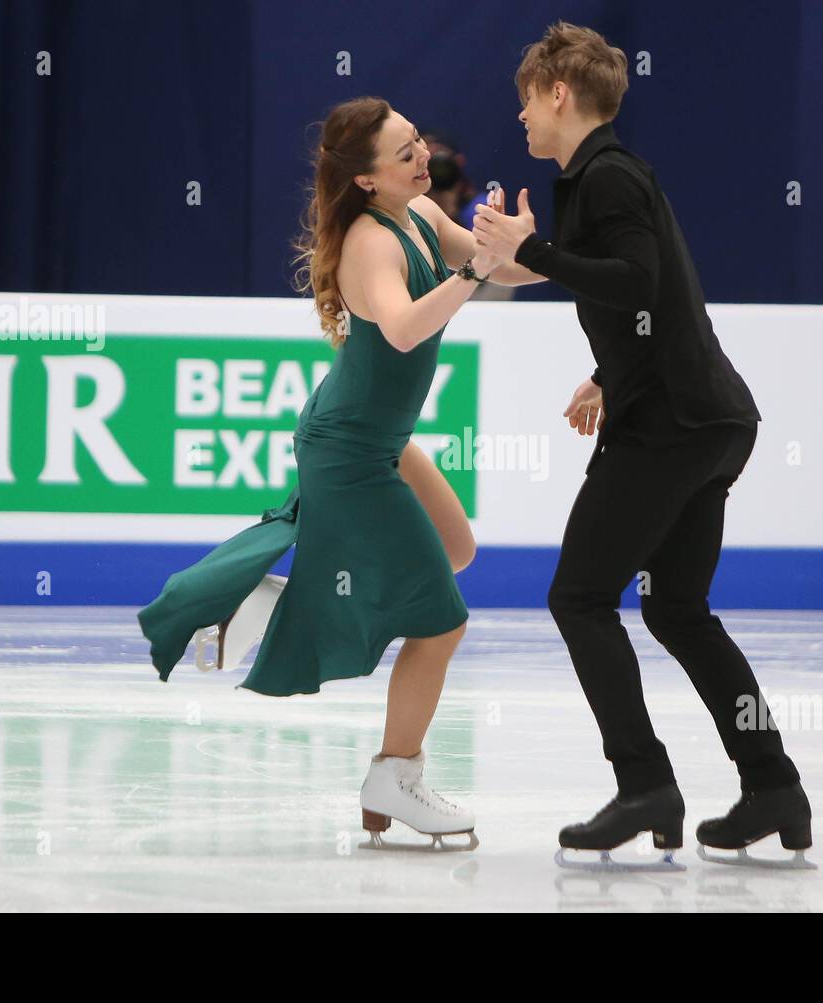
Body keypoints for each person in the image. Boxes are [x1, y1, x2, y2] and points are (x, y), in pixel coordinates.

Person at [137, 96, 531, 851]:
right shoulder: (368, 244)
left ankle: (272, 601)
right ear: (366, 182)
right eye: (406, 152)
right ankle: (395, 774)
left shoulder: (418, 218)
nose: (424, 158)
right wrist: (478, 272)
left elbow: (493, 262)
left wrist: (537, 254)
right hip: (348, 448)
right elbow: (407, 324)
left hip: (378, 438)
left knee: (454, 549)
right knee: (443, 619)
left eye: (419, 142)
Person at [473, 22, 813, 868]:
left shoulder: (609, 178)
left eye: (526, 98)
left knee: (579, 595)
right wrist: (606, 370)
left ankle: (645, 783)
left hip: (672, 426)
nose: (519, 116)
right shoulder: (600, 178)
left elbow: (637, 282)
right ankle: (773, 784)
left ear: (558, 93)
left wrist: (539, 254)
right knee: (676, 608)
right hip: (706, 417)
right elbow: (644, 302)